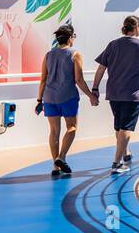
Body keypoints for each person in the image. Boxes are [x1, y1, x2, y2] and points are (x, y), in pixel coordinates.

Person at [92, 14, 139, 175]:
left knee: (119, 126)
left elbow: (101, 68)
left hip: (114, 93)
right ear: (136, 27)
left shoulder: (113, 45)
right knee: (126, 128)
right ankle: (116, 163)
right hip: (132, 94)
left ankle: (126, 153)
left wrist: (95, 88)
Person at [36, 23, 97, 177]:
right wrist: (91, 95)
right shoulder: (75, 54)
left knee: (54, 131)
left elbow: (43, 79)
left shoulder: (49, 55)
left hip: (49, 97)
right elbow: (79, 79)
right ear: (70, 38)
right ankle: (61, 157)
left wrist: (39, 100)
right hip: (68, 96)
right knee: (72, 127)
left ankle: (55, 167)